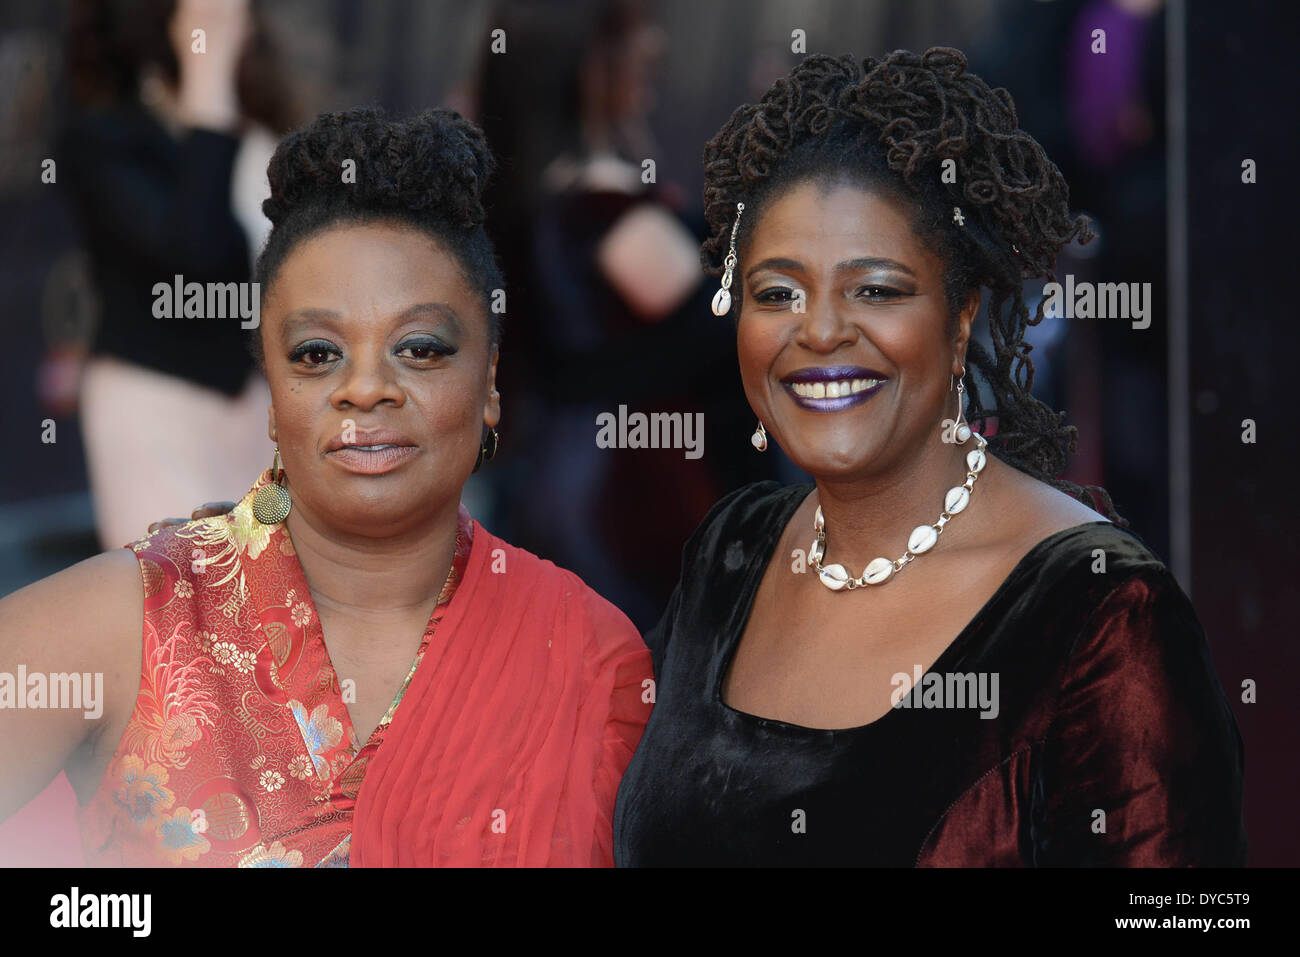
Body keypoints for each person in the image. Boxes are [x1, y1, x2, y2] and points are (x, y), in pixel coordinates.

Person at [612, 49, 1246, 865]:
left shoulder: (1100, 618)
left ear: (960, 317)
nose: (821, 331)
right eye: (778, 293)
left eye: (876, 289)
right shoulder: (730, 554)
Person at [0, 106, 653, 867]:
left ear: (490, 383)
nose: (365, 388)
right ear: (272, 392)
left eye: (420, 347)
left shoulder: (588, 654)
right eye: (316, 353)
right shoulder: (131, 621)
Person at [61, 0, 293, 552]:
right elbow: (197, 255)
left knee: (277, 577)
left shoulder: (261, 123)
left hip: (258, 407)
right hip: (155, 407)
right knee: (185, 584)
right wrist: (208, 84)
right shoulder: (104, 137)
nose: (229, 15)